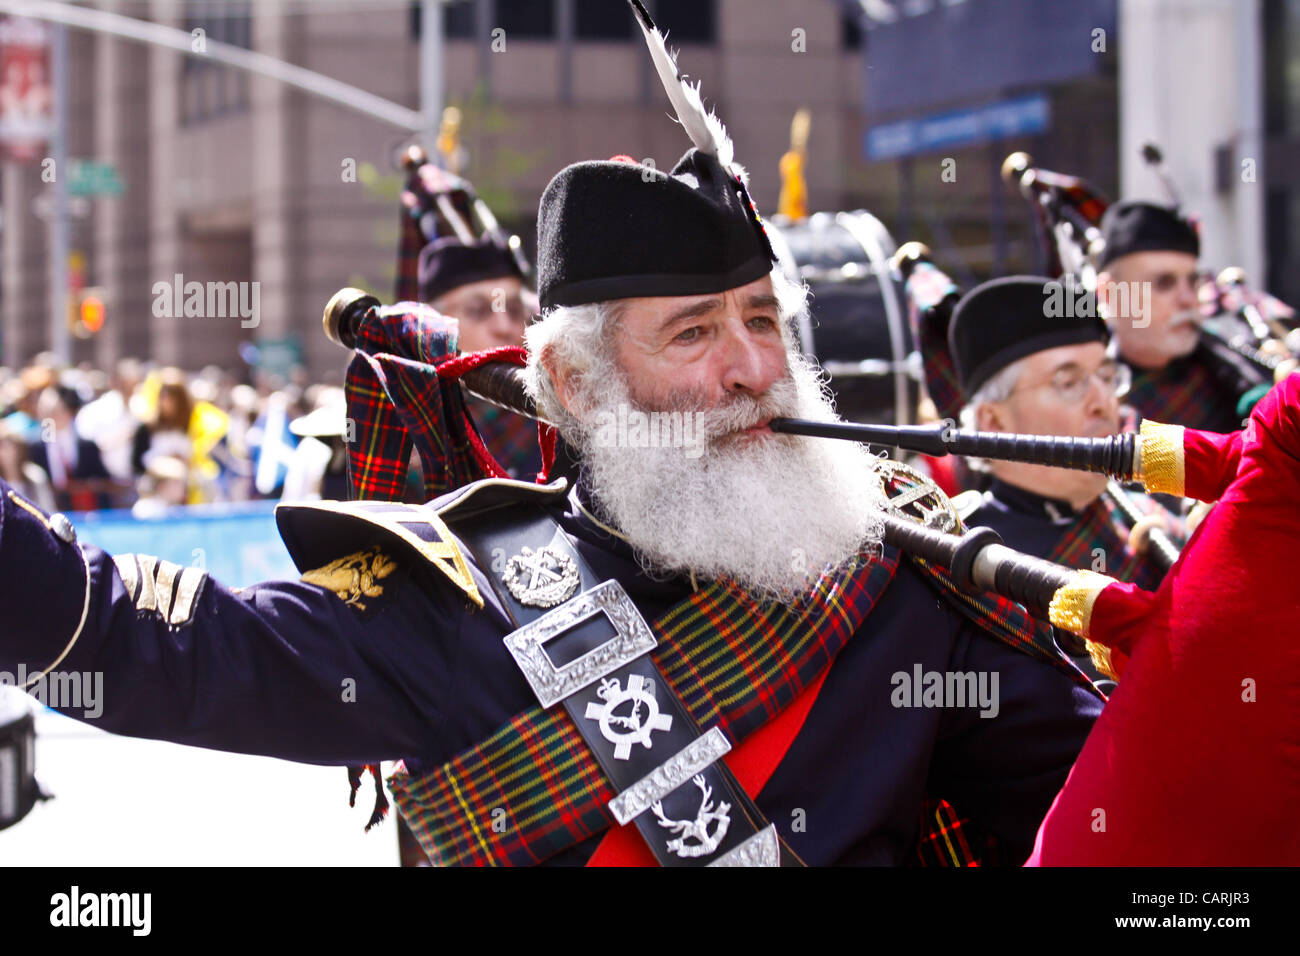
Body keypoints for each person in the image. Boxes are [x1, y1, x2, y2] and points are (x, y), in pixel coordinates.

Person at [0, 8, 1101, 867]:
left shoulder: (894, 568)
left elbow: (1104, 807)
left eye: (764, 320)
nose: (753, 369)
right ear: (573, 384)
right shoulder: (448, 607)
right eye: (694, 331)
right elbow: (141, 648)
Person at [948, 276, 1184, 683]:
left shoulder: (1153, 514)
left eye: (1107, 377)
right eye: (1070, 383)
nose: (1104, 403)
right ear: (993, 423)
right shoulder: (963, 558)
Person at [1094, 200, 1268, 433]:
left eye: (1194, 281)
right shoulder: (1084, 394)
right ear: (1110, 293)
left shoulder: (1239, 380)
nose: (1188, 299)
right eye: (1164, 282)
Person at [419, 236, 543, 480]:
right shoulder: (401, 434)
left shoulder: (562, 433)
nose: (504, 327)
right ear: (434, 327)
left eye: (515, 310)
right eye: (478, 310)